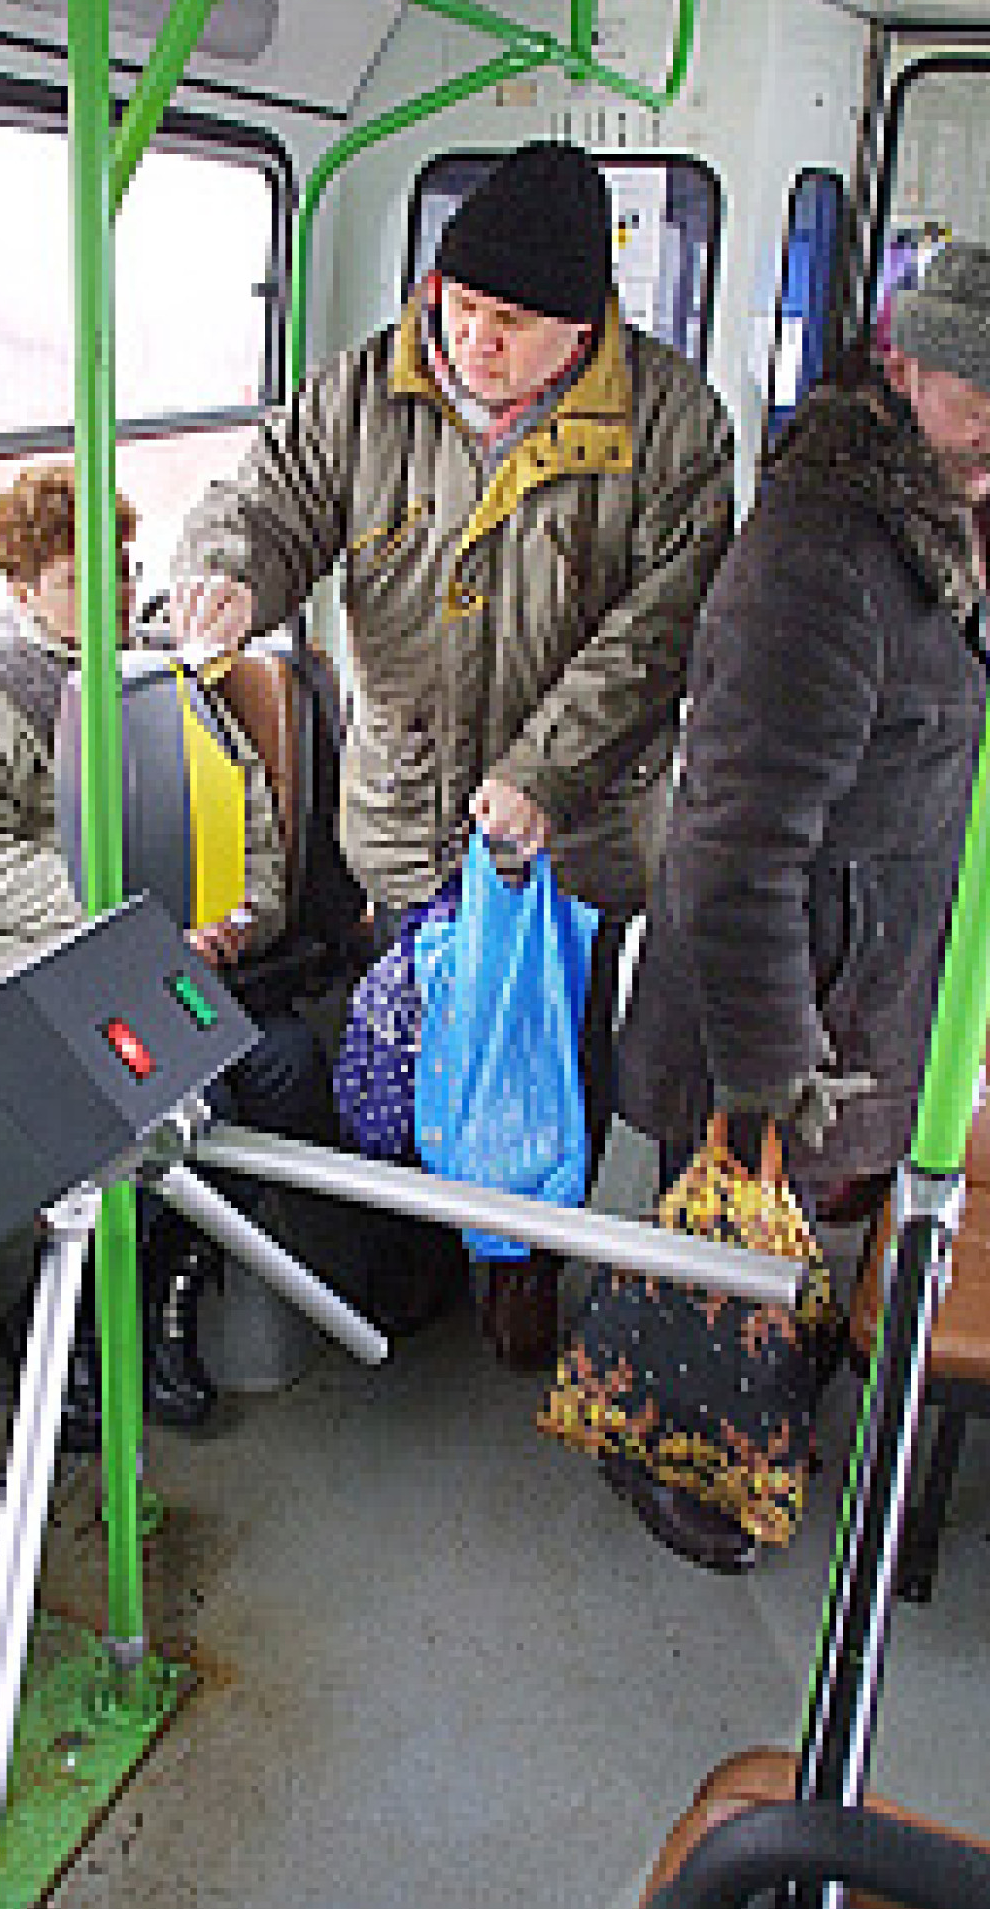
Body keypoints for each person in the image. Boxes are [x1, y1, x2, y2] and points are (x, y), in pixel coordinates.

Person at [170, 140, 735, 1360]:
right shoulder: (362, 391)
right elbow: (268, 504)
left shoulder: (672, 421)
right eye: (459, 307)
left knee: (544, 1056)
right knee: (405, 1047)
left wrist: (544, 773)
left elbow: (660, 629)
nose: (473, 340)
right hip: (407, 806)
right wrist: (226, 576)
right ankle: (414, 1255)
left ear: (581, 326)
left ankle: (524, 1258)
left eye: (510, 322)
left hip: (574, 836)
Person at [586, 238, 990, 1569]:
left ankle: (733, 1412)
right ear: (900, 370)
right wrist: (774, 1065)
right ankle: (661, 1449)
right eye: (978, 405)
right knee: (724, 1246)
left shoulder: (935, 515)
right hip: (775, 1004)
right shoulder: (823, 557)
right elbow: (738, 840)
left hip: (852, 971)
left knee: (780, 1249)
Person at [0, 461, 335, 1427]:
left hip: (165, 959)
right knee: (183, 1097)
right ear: (19, 591)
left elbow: (244, 821)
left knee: (285, 1069)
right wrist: (116, 911)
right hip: (47, 973)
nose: (111, 597)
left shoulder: (159, 680)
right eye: (74, 581)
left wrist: (237, 918)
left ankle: (177, 1291)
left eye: (123, 573)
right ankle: (91, 1326)